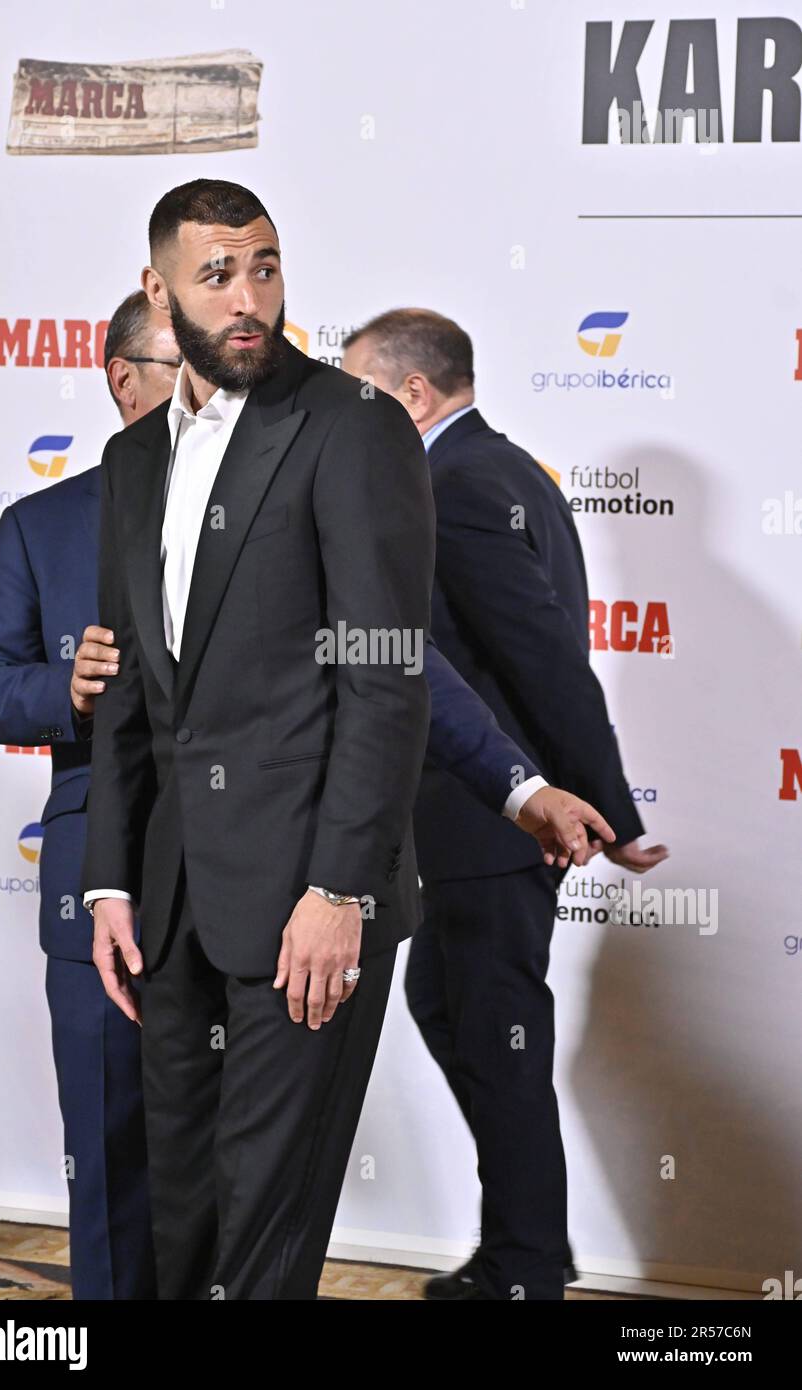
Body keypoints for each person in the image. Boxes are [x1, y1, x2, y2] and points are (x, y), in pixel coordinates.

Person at [79, 178, 438, 1301]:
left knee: (264, 1227)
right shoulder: (135, 459)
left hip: (307, 903)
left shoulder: (351, 427)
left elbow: (383, 683)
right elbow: (134, 698)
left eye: (266, 268)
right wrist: (107, 884)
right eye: (218, 275)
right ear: (159, 289)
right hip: (171, 903)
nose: (249, 299)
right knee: (181, 1206)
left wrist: (341, 888)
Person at [343, 309, 668, 1301]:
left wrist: (602, 806)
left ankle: (526, 1265)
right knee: (456, 1008)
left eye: (359, 393)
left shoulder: (461, 484)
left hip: (492, 822)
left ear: (411, 393)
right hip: (484, 819)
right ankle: (519, 1248)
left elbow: (541, 659)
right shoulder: (505, 469)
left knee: (494, 1033)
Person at [0, 291, 181, 1298]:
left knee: (239, 1166)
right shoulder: (42, 526)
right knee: (110, 1154)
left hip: (249, 877)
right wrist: (65, 689)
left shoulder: (276, 510)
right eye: (184, 363)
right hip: (98, 880)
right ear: (122, 379)